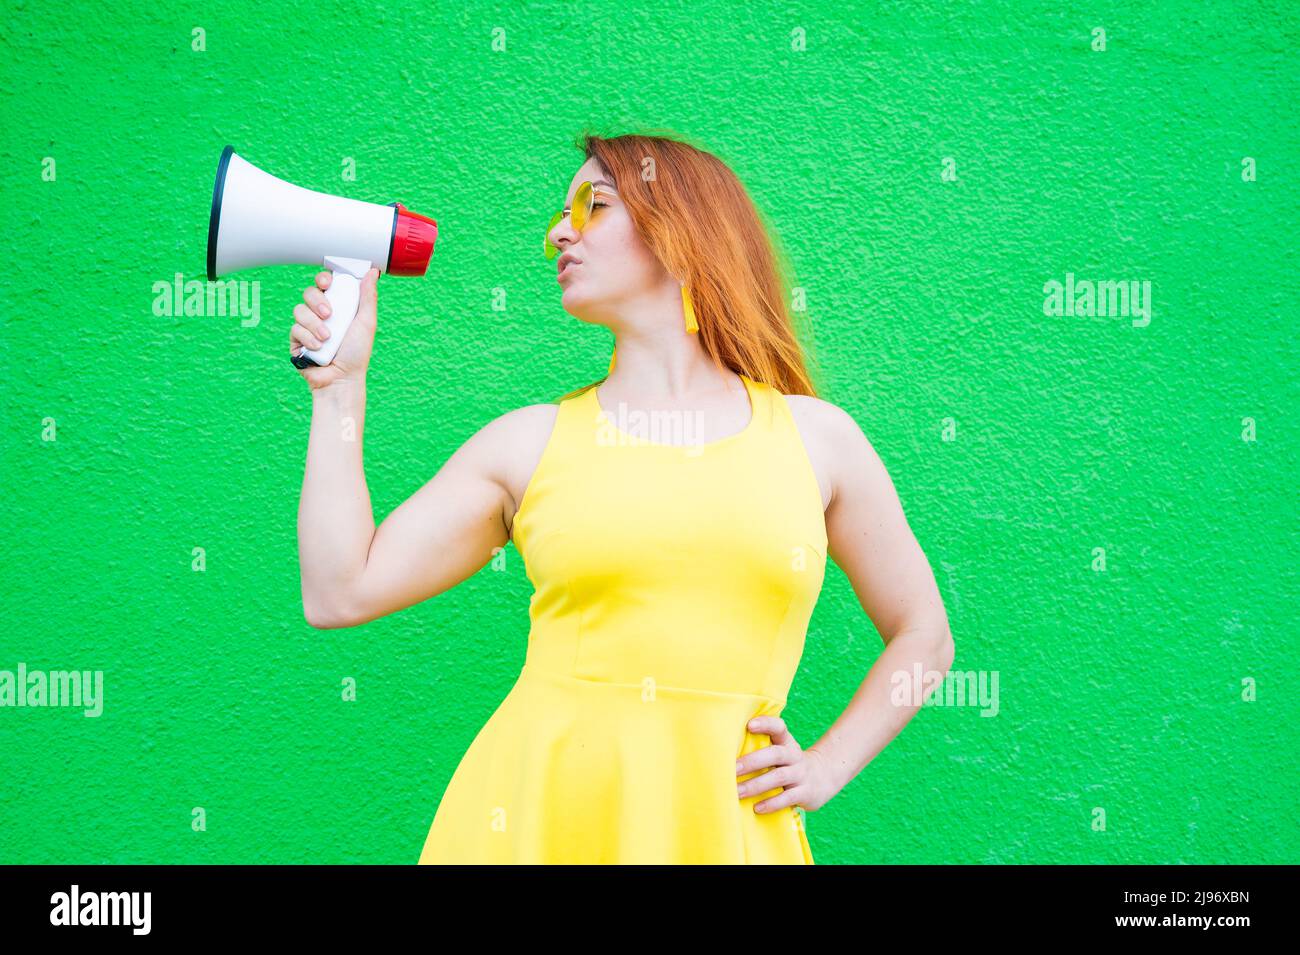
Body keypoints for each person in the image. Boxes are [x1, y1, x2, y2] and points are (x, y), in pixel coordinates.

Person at [292, 131, 954, 864]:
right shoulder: (527, 444)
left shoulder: (819, 440)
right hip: (533, 825)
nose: (556, 233)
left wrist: (827, 765)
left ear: (682, 231)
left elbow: (924, 631)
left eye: (594, 205)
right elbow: (339, 591)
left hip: (724, 827)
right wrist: (339, 388)